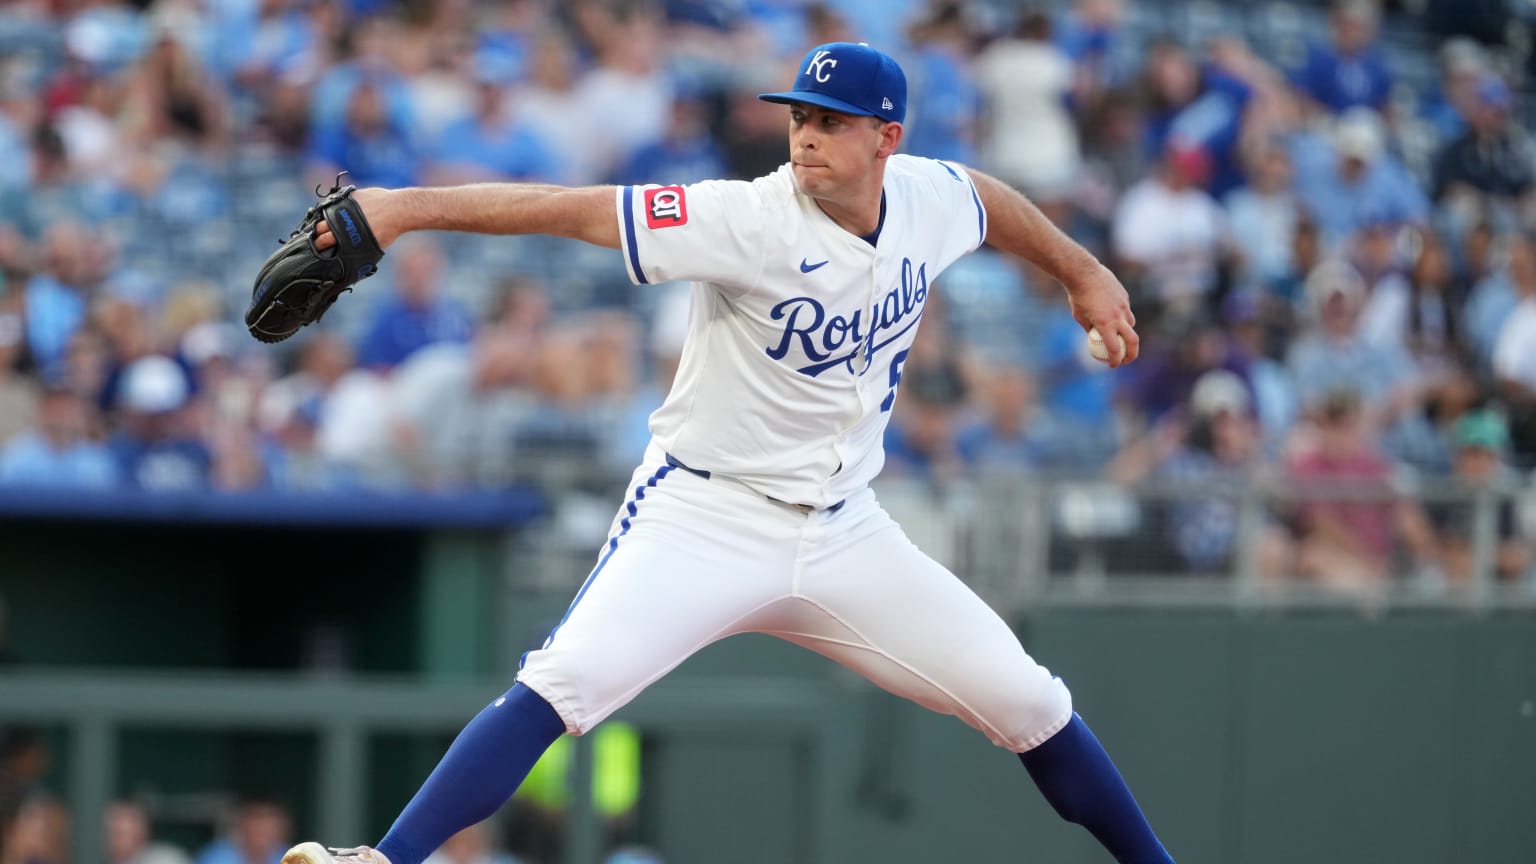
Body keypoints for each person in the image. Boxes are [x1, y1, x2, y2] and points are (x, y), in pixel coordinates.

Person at [278, 43, 1172, 864]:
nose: (807, 138)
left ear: (886, 138)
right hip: (705, 514)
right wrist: (401, 209)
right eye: (799, 118)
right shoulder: (745, 217)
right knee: (566, 681)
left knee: (1030, 702)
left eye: (831, 122)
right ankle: (384, 861)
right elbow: (574, 211)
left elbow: (989, 200)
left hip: (846, 530)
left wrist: (1081, 270)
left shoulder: (929, 198)